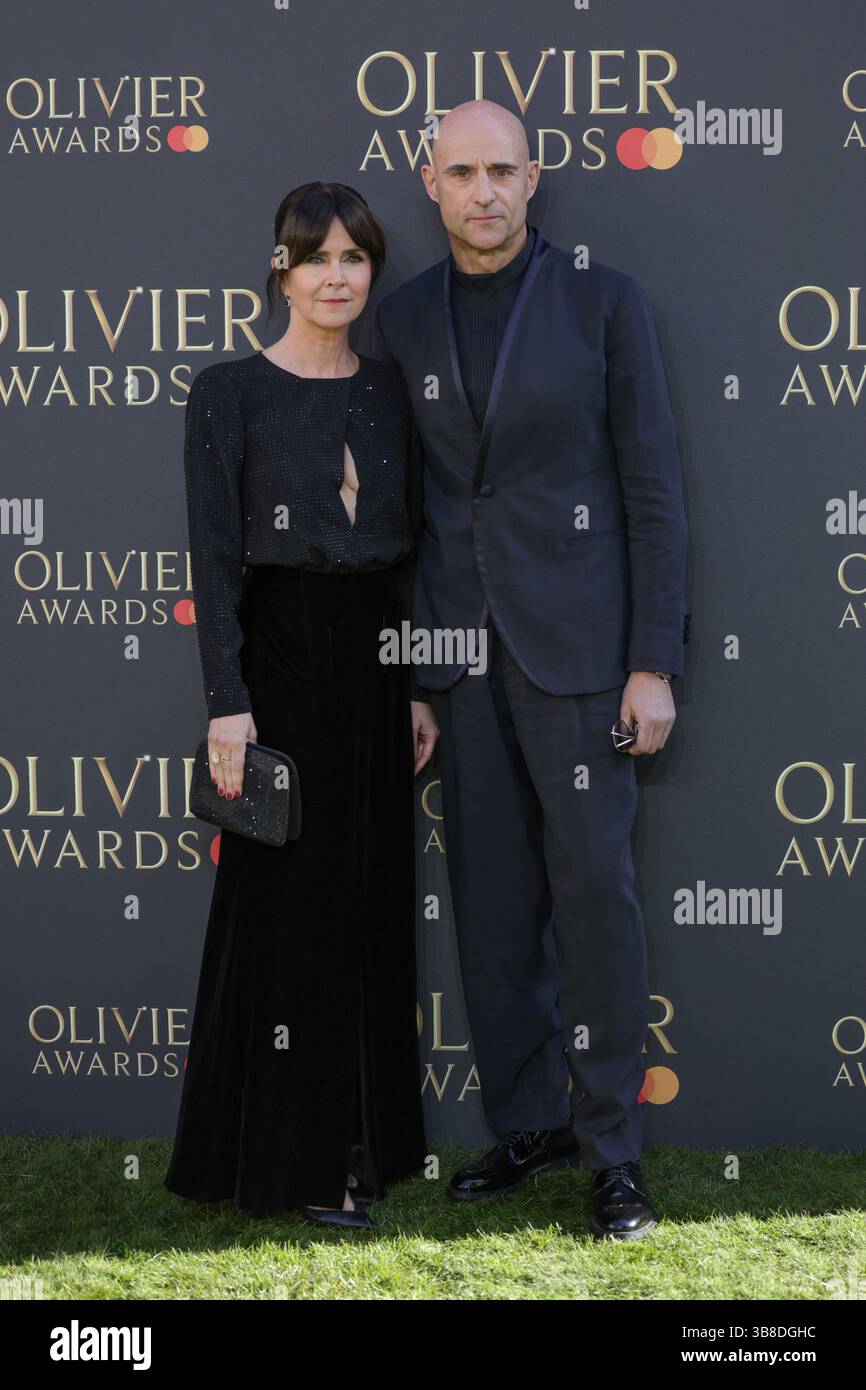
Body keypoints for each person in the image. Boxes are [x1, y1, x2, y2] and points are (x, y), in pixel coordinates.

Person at [365, 101, 690, 1240]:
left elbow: (651, 493)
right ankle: (526, 1123)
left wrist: (651, 661)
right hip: (456, 659)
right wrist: (409, 671)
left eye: (502, 169)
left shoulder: (603, 304)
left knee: (595, 907)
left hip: (583, 665)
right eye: (462, 172)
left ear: (535, 177)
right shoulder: (399, 322)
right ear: (429, 182)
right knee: (493, 912)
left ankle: (612, 1154)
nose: (484, 190)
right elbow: (399, 516)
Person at [164, 182, 438, 1231]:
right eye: (313, 256)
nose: (334, 276)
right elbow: (214, 557)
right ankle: (294, 1159)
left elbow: (411, 555)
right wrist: (226, 705)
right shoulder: (227, 392)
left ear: (371, 272)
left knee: (366, 902)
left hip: (374, 662)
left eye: (354, 258)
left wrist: (412, 677)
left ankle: (362, 1139)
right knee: (292, 914)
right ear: (279, 268)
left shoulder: (388, 390)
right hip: (277, 660)